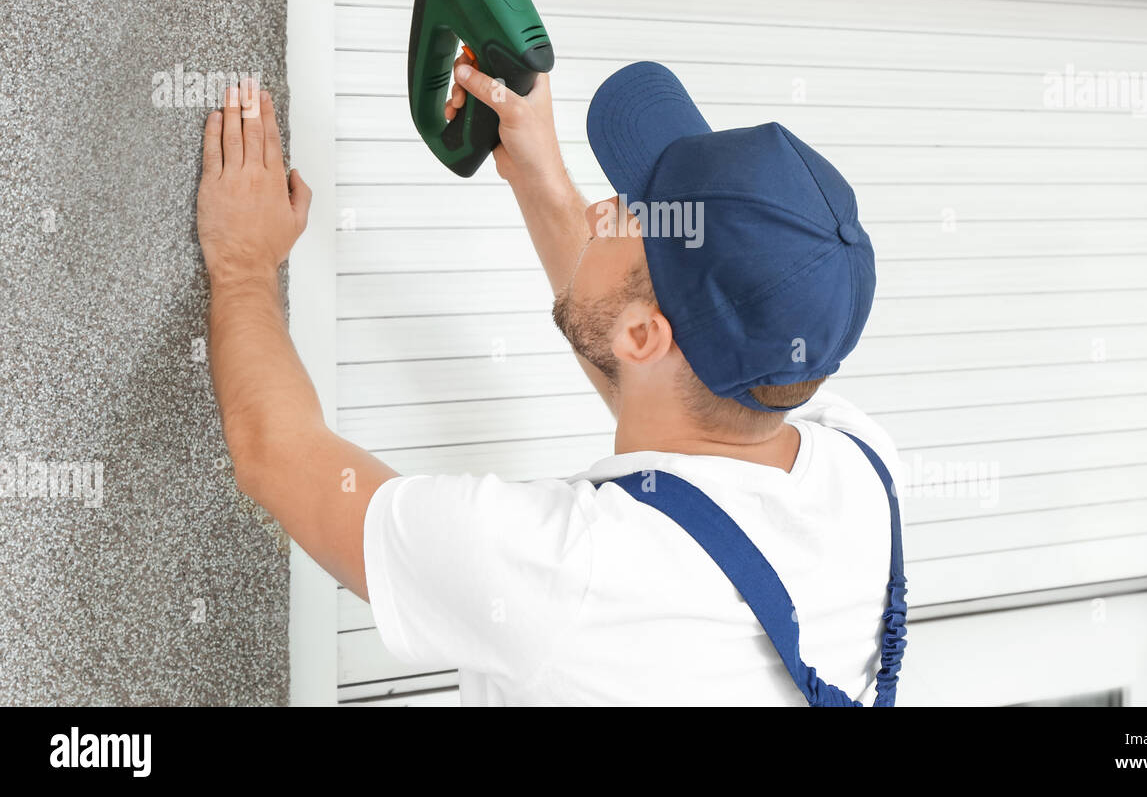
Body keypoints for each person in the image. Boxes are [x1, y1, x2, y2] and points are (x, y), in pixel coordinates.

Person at [197, 59, 906, 706]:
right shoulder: (863, 470)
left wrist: (242, 263)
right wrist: (537, 172)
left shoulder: (565, 571)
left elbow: (276, 454)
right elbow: (664, 386)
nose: (601, 208)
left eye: (629, 211)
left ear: (642, 335)